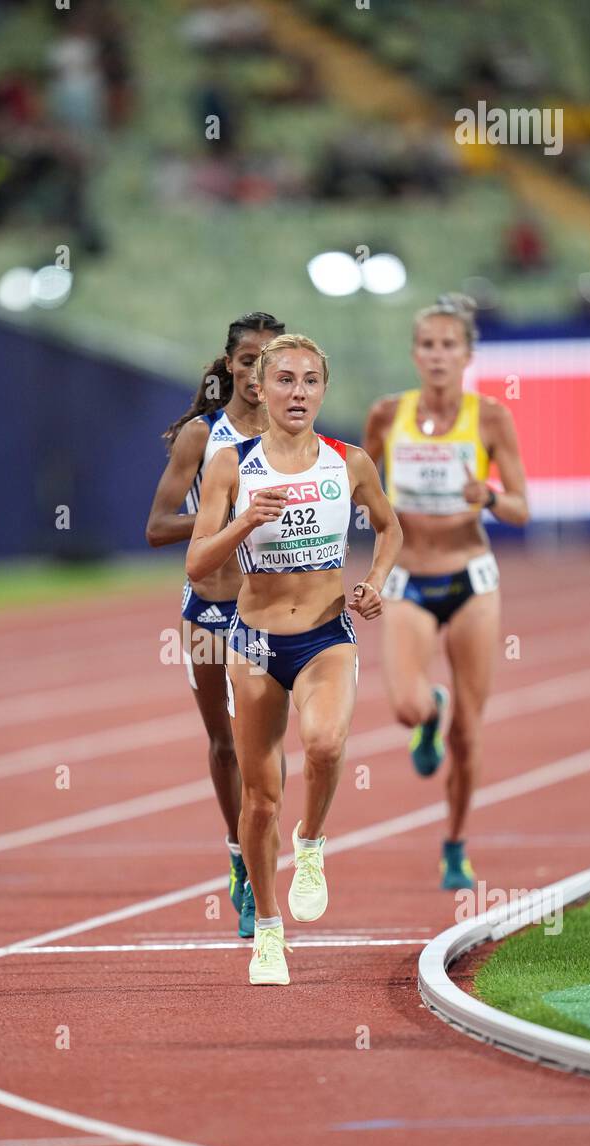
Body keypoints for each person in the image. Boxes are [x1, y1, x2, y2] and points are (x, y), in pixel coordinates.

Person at [186, 334, 402, 985]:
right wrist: (246, 522)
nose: (297, 391)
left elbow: (390, 527)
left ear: (323, 391)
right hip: (252, 643)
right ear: (262, 388)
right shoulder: (231, 463)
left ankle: (311, 844)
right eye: (284, 380)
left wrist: (376, 582)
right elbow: (198, 568)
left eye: (310, 380)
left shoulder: (350, 462)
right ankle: (270, 936)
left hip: (324, 636)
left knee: (327, 743)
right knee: (258, 801)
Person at [362, 293, 529, 890]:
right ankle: (426, 712)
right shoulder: (386, 415)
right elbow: (359, 483)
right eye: (427, 345)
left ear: (467, 354)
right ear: (414, 354)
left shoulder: (489, 418)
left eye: (448, 345)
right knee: (407, 706)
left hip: (470, 580)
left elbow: (519, 508)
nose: (437, 356)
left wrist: (488, 496)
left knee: (469, 730)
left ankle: (455, 844)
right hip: (409, 579)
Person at [146, 312, 285, 937]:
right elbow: (156, 527)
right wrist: (225, 518)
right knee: (226, 744)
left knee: (265, 751)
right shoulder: (202, 436)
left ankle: (262, 874)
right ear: (230, 364)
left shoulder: (293, 437)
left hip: (268, 611)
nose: (258, 373)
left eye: (270, 361)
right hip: (208, 607)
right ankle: (238, 857)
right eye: (248, 359)